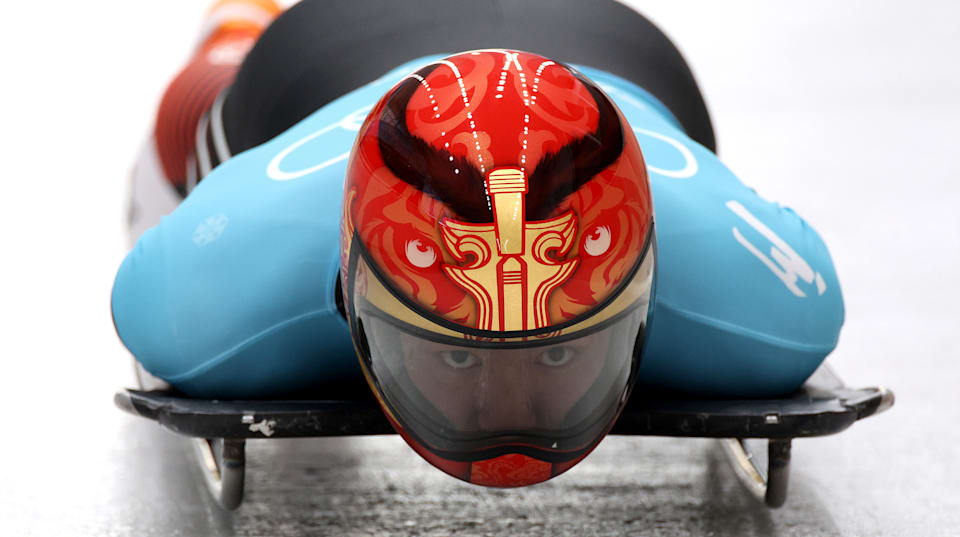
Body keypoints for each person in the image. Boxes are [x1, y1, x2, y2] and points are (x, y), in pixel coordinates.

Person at [113, 0, 844, 487]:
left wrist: (444, 352)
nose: (507, 414)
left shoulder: (194, 310)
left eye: (559, 350)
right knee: (189, 115)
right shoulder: (775, 318)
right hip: (339, 57)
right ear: (347, 289)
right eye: (458, 354)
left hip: (364, 33)